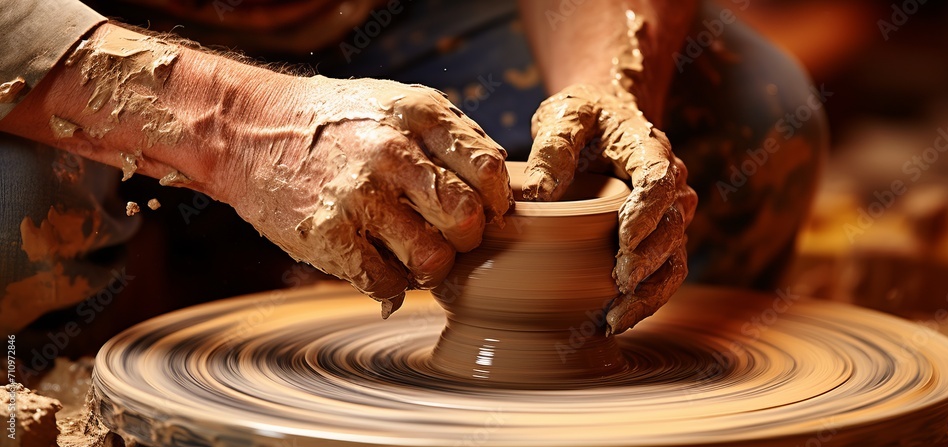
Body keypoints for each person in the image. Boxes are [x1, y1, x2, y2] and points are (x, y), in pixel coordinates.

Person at [0, 0, 824, 336]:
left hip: (396, 19)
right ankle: (156, 350)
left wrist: (606, 82)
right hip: (81, 42)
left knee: (751, 116)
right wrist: (237, 131)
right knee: (22, 220)